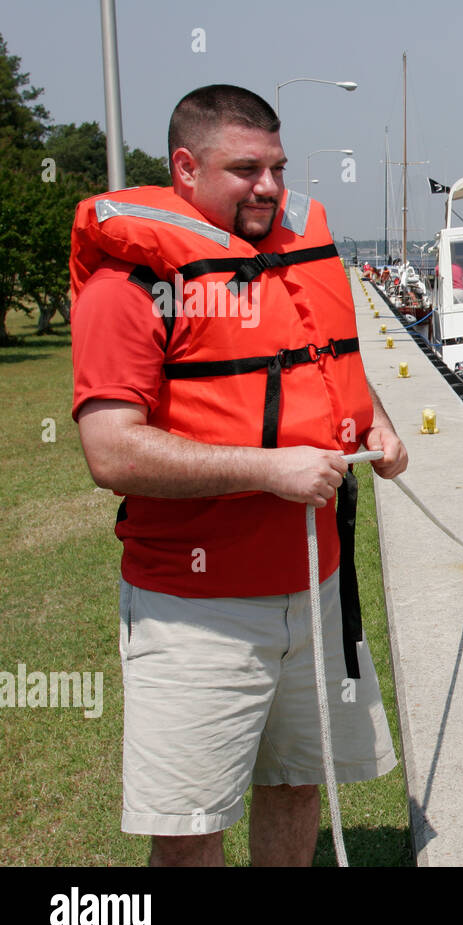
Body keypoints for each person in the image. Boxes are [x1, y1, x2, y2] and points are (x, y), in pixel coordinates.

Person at [70, 84, 408, 867]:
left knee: (295, 785)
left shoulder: (285, 260)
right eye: (245, 169)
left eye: (278, 168)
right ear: (184, 168)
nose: (269, 187)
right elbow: (111, 451)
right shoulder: (129, 287)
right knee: (191, 832)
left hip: (313, 591)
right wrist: (267, 471)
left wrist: (374, 419)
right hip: (196, 612)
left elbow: (320, 367)